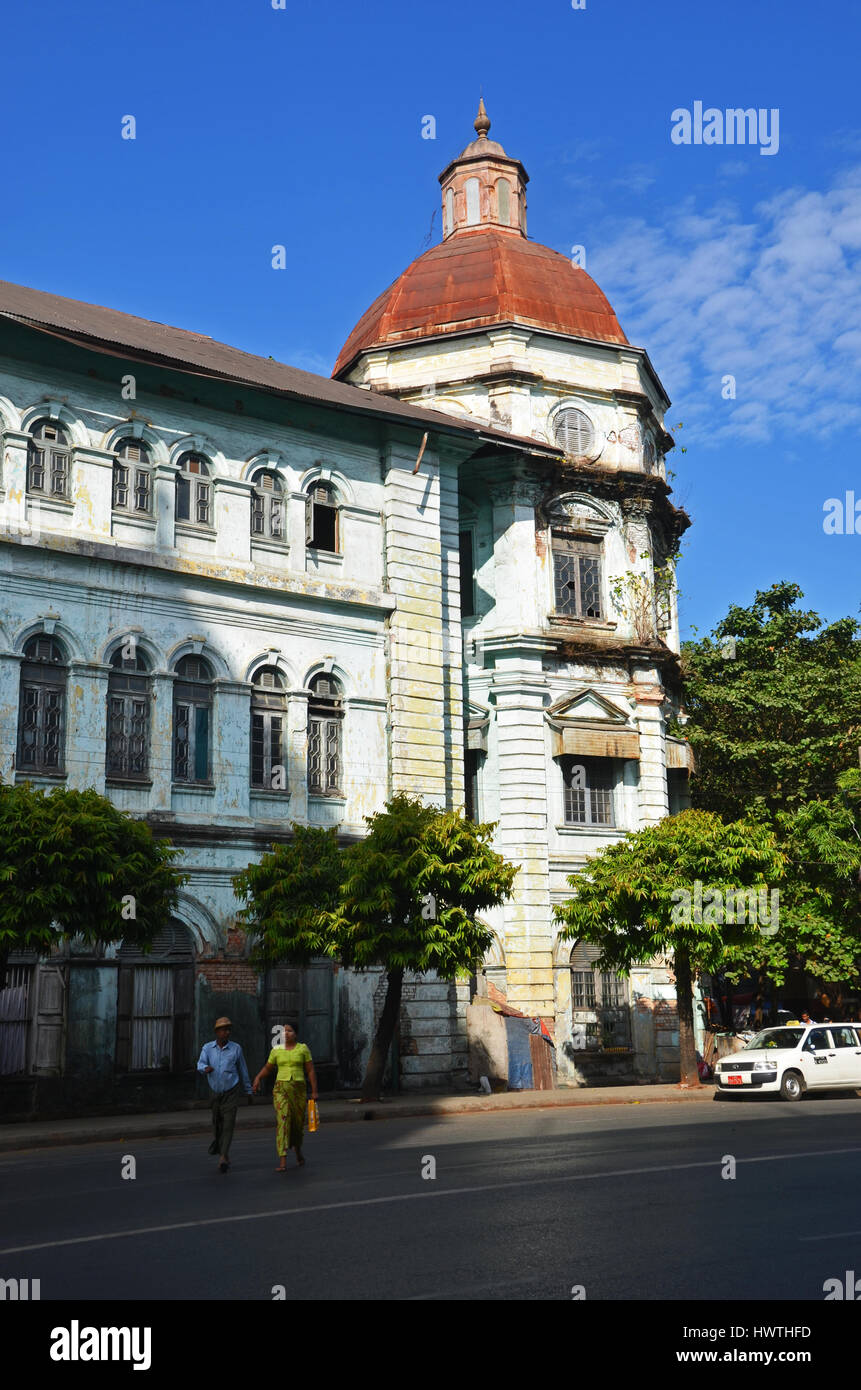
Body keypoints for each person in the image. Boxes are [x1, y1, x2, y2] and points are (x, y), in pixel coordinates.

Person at [253, 1022, 318, 1172]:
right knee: (283, 1120)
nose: (286, 1033)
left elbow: (310, 1071)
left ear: (296, 1033)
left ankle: (298, 1150)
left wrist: (314, 1091)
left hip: (299, 1090)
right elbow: (268, 1068)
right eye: (284, 1031)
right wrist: (258, 1078)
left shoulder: (303, 1049)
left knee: (297, 1124)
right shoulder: (276, 1050)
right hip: (281, 1089)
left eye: (290, 1031)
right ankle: (282, 1159)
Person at [197, 1017, 253, 1173]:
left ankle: (222, 1156)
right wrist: (205, 1068)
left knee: (228, 1123)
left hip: (231, 1091)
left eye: (228, 1029)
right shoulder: (208, 1048)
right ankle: (224, 1152)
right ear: (217, 1032)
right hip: (215, 1092)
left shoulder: (236, 1049)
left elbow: (243, 1070)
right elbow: (200, 1063)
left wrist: (248, 1090)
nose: (226, 1032)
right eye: (223, 1029)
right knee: (217, 1123)